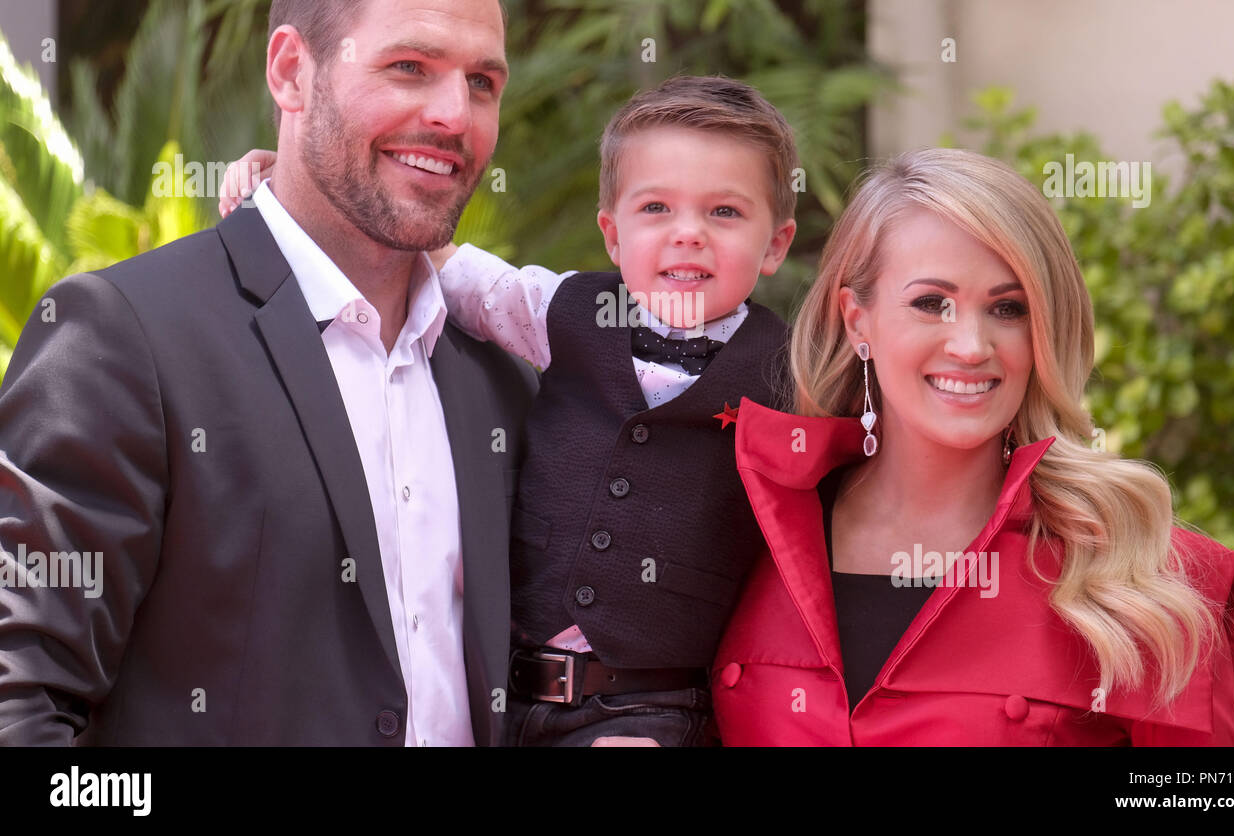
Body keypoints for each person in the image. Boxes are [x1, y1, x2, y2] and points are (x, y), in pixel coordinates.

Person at [0, 0, 536, 746]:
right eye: (409, 67)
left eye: (482, 82)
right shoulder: (123, 337)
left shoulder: (504, 369)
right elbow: (20, 701)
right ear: (291, 71)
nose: (454, 116)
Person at [219, 75, 799, 745]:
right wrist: (295, 188)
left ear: (777, 244)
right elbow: (442, 260)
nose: (688, 234)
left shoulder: (791, 377)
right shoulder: (564, 313)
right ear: (612, 235)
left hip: (651, 708)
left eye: (724, 212)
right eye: (656, 209)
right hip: (504, 699)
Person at [709, 148, 1234, 745]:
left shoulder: (1141, 577)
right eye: (931, 303)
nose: (970, 345)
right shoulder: (737, 526)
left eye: (1006, 308)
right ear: (858, 320)